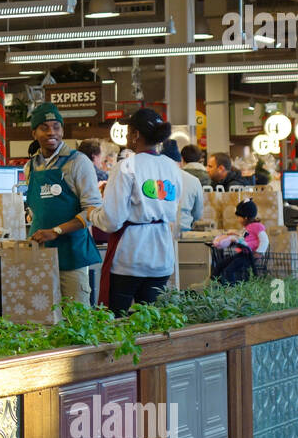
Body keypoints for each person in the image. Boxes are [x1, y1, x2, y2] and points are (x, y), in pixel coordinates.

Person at [86, 108, 180, 315]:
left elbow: (112, 219)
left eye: (129, 131)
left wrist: (91, 213)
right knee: (152, 321)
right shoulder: (172, 167)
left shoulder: (126, 166)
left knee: (116, 321)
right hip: (162, 254)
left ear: (136, 134)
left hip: (131, 255)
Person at [25, 103, 102, 306]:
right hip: (41, 254)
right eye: (44, 127)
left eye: (56, 126)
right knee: (42, 317)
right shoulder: (30, 166)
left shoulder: (78, 162)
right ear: (34, 132)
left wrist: (56, 230)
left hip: (72, 254)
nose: (52, 132)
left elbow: (92, 211)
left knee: (76, 320)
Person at [163, 139, 203, 232]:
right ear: (180, 160)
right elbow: (198, 213)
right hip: (184, 231)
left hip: (160, 232)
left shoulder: (154, 178)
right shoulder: (193, 180)